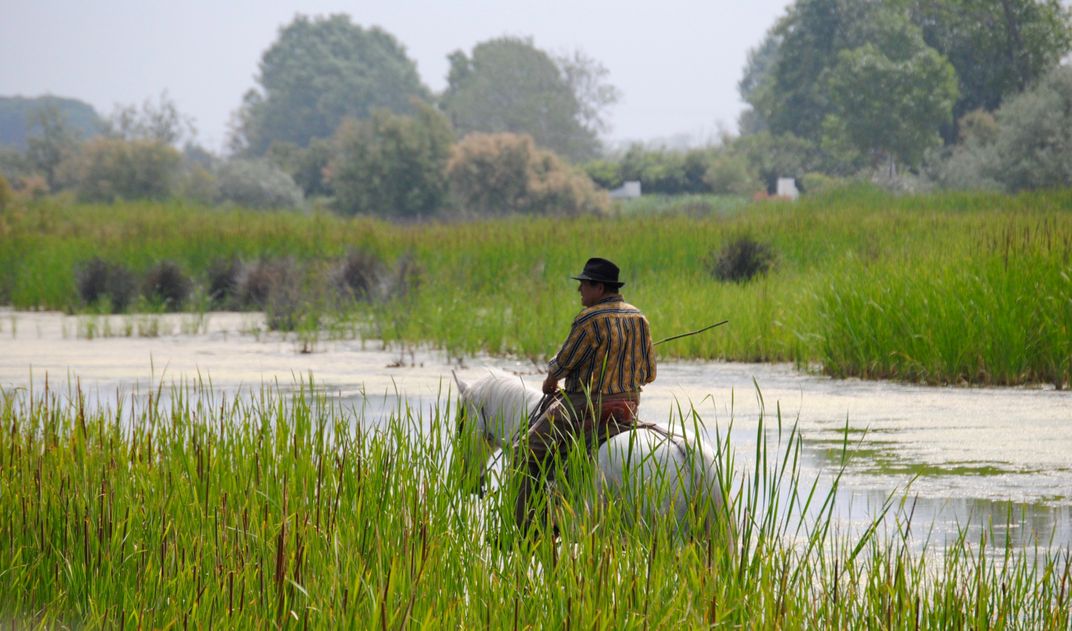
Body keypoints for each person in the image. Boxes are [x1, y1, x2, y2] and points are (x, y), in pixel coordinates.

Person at [513, 257, 656, 535]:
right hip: (628, 408)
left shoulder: (589, 319)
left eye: (583, 285)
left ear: (599, 287)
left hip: (585, 407)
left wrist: (550, 380)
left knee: (524, 452)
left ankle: (526, 531)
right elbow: (649, 374)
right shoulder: (639, 318)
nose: (580, 291)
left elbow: (564, 362)